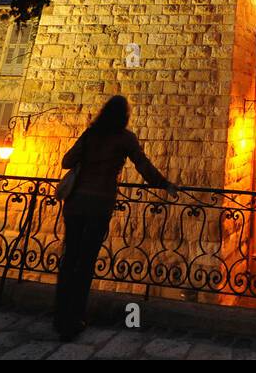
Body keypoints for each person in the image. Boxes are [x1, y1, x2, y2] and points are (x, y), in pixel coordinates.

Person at [53, 95, 174, 341]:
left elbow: (67, 161)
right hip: (99, 203)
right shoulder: (125, 138)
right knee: (86, 261)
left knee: (70, 258)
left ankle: (60, 316)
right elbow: (143, 164)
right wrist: (164, 184)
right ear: (124, 115)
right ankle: (74, 318)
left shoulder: (90, 134)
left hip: (75, 203)